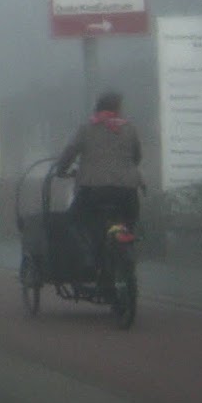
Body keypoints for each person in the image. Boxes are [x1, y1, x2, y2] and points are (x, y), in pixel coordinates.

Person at [54, 91, 144, 277]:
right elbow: (137, 157)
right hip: (127, 191)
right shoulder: (129, 129)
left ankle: (88, 256)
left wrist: (61, 170)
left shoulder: (87, 128)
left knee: (74, 221)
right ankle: (126, 249)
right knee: (127, 221)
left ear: (98, 108)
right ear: (117, 109)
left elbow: (70, 152)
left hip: (94, 190)